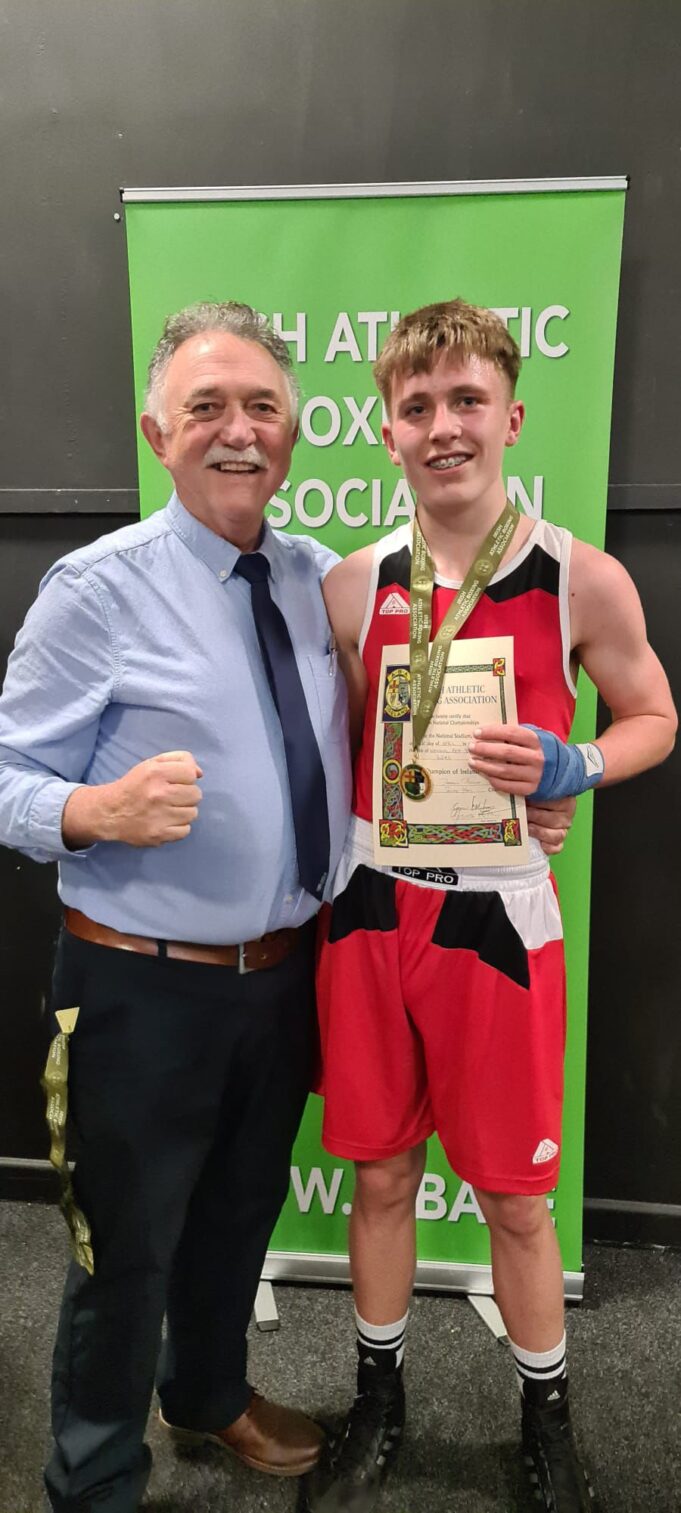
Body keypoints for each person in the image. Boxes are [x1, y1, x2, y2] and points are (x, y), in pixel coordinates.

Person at [306, 299, 677, 1513]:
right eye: (417, 406)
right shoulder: (353, 585)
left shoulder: (582, 576)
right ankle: (379, 1402)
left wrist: (578, 766)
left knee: (518, 1199)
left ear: (511, 417)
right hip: (373, 909)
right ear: (388, 431)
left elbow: (654, 716)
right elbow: (342, 751)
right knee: (378, 1177)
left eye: (467, 400)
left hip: (499, 924)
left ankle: (547, 1421)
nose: (444, 426)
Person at [0, 301, 354, 1512]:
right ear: (159, 433)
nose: (238, 430)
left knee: (240, 1214)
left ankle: (205, 1393)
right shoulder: (97, 589)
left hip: (283, 974)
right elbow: (6, 775)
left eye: (262, 406)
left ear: (293, 434)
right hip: (137, 985)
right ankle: (95, 1475)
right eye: (207, 407)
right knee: (124, 1249)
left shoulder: (312, 579)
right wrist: (95, 808)